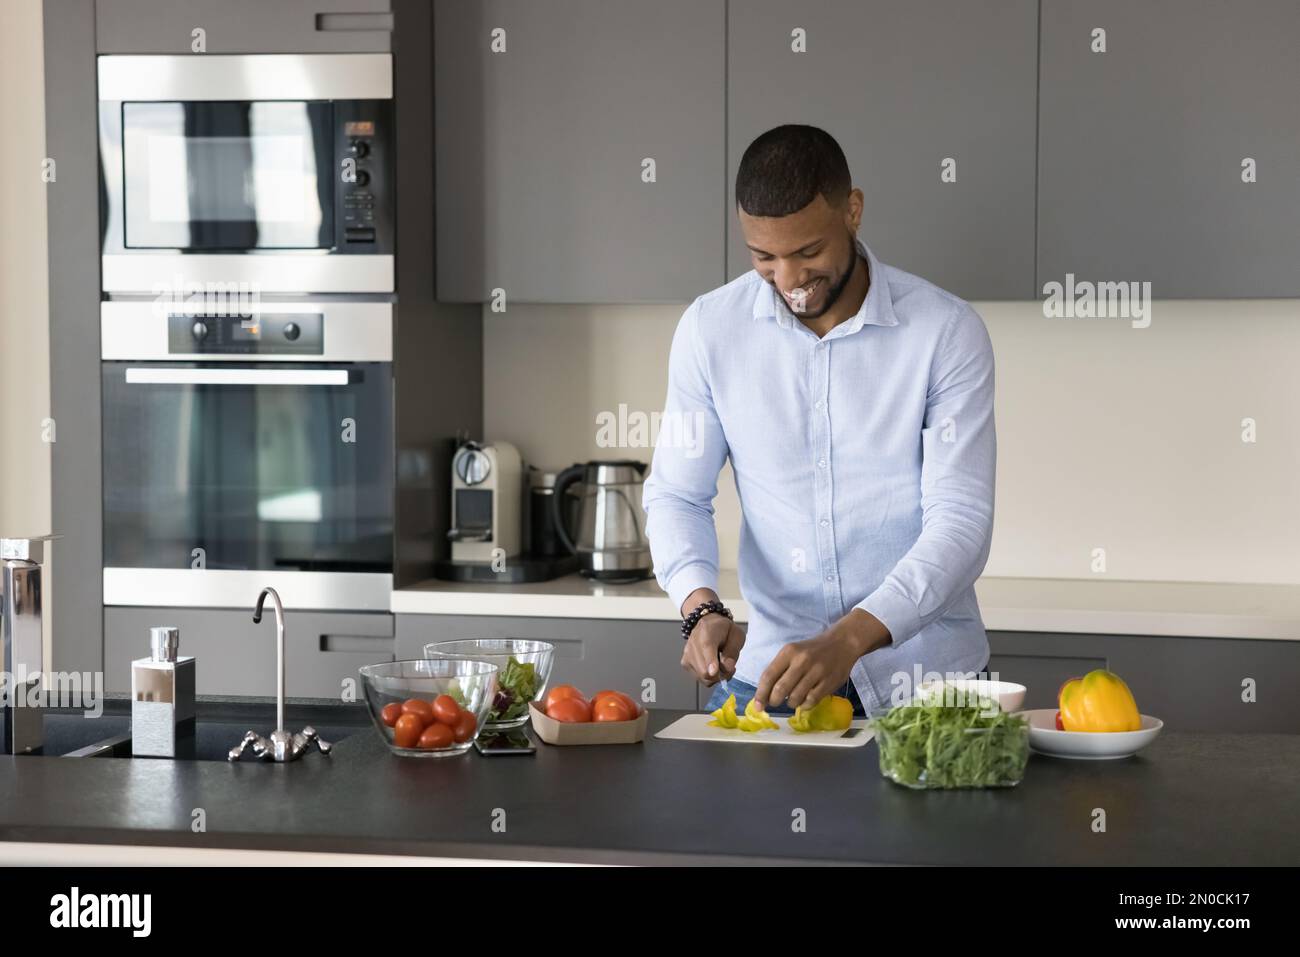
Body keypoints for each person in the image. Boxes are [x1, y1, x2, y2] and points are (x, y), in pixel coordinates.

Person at [642, 124, 996, 718]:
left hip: (929, 684)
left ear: (852, 211)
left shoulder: (946, 333)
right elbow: (678, 494)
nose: (789, 280)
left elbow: (960, 522)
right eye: (764, 257)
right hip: (770, 682)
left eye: (808, 253)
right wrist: (699, 606)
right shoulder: (710, 331)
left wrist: (849, 639)